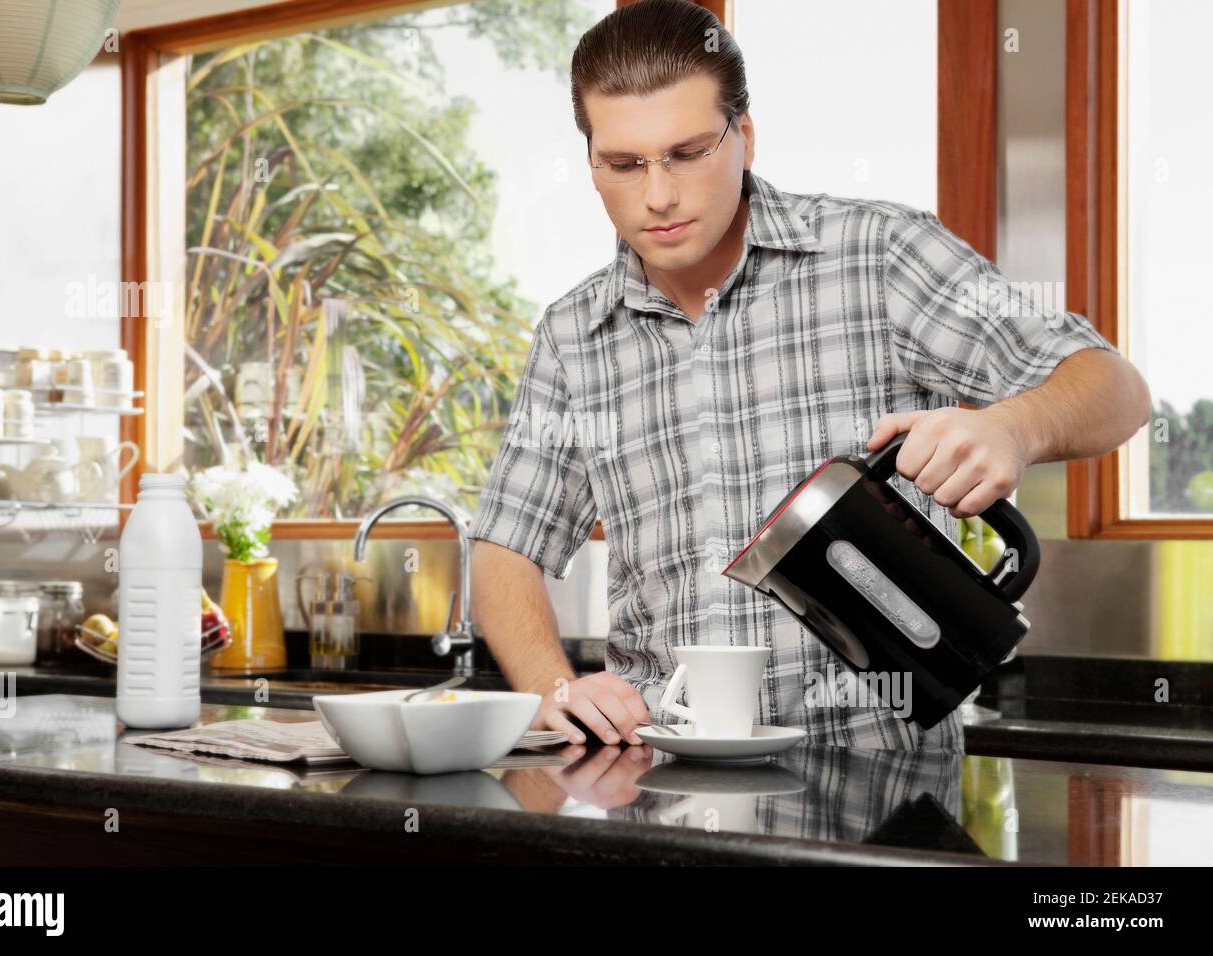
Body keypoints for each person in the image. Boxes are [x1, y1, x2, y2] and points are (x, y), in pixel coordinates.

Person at [467, 0, 1149, 750]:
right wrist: (551, 686)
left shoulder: (879, 255)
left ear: (745, 137)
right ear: (592, 161)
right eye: (625, 164)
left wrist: (1014, 427)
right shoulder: (573, 335)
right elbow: (506, 547)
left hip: (879, 785)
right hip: (659, 786)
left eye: (689, 153)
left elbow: (1115, 388)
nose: (657, 195)